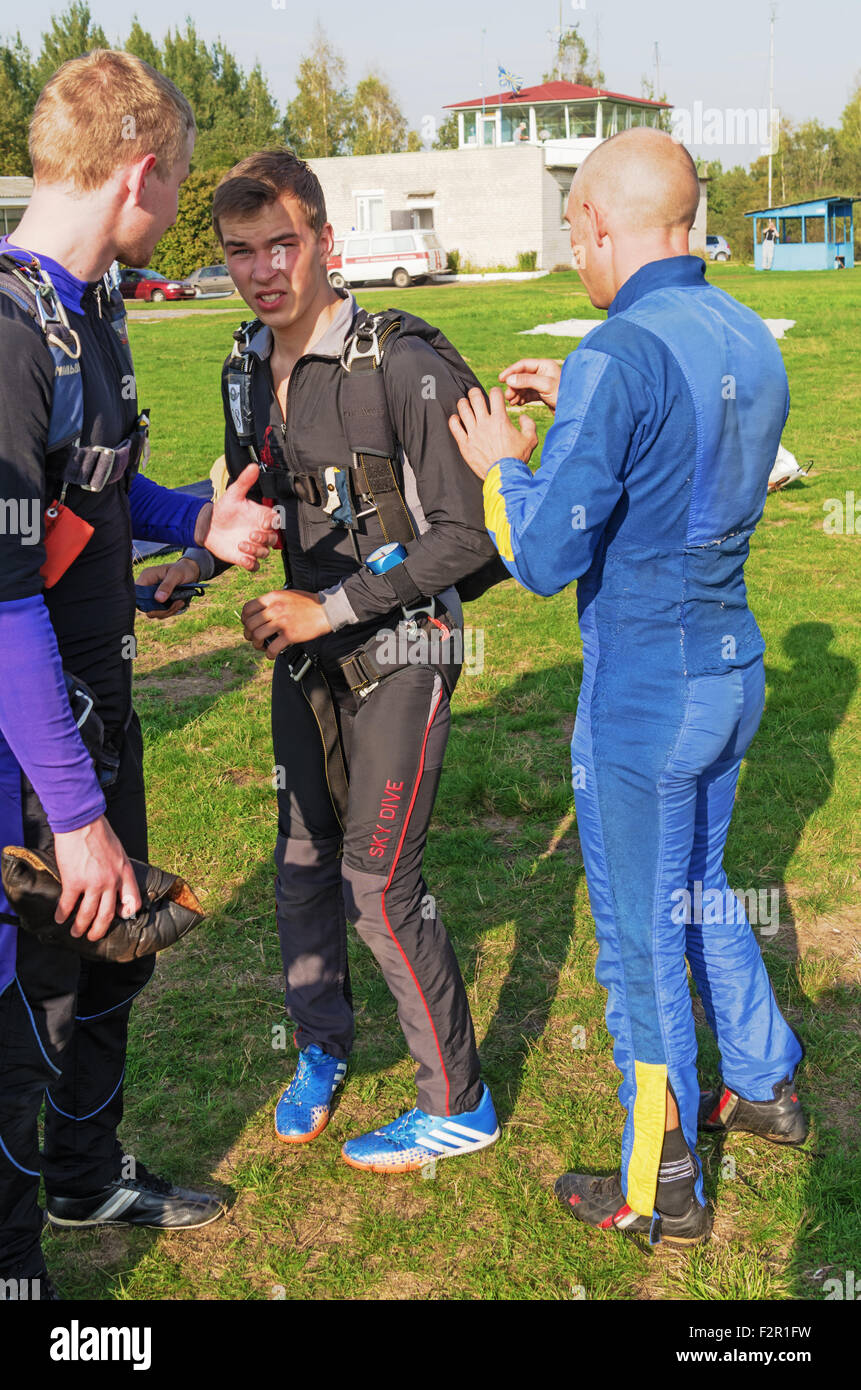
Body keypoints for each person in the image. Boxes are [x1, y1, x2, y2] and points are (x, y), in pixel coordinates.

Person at [448, 127, 806, 1246]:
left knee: (638, 936)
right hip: (732, 667)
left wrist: (507, 459)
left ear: (601, 223)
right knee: (703, 886)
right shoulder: (746, 328)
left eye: (573, 231)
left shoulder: (618, 352)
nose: (573, 252)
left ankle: (664, 1183)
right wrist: (588, 407)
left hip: (646, 693)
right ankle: (766, 1081)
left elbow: (547, 555)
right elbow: (694, 438)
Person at [150, 150, 502, 1173]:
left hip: (400, 646)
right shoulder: (238, 362)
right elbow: (250, 493)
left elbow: (467, 537)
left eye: (281, 246)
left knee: (379, 880)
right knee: (302, 866)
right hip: (304, 658)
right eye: (238, 253)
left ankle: (459, 1104)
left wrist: (331, 605)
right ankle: (319, 1045)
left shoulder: (404, 360)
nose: (262, 272)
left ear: (325, 244)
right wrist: (196, 562)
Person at [0, 50, 278, 1299]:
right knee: (29, 1010)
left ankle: (84, 1172)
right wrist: (72, 816)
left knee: (117, 960)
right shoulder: (10, 336)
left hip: (95, 717)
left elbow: (88, 489)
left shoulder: (89, 307)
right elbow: (1, 603)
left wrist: (193, 527)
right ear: (147, 173)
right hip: (25, 762)